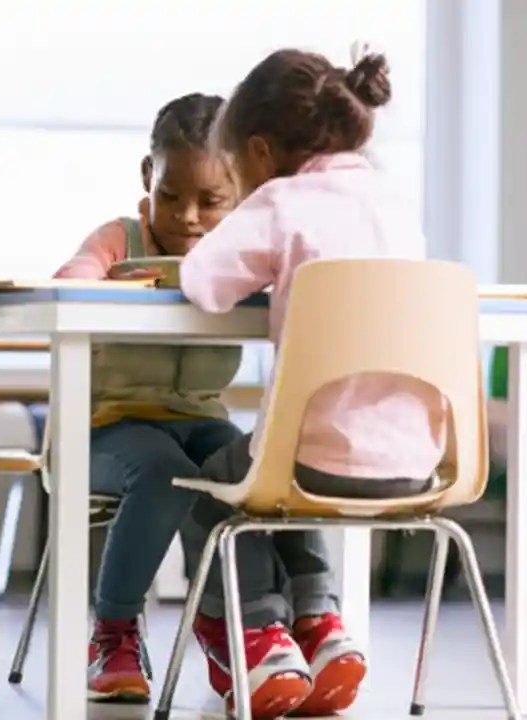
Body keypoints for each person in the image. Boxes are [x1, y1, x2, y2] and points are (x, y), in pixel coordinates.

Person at [178, 47, 447, 718]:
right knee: (280, 477)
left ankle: (256, 635)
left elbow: (202, 284)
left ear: (261, 153)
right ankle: (321, 628)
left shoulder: (281, 201)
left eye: (234, 172)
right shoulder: (395, 201)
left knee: (217, 484)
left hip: (310, 459)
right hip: (420, 466)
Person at [54, 92, 245, 703]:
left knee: (247, 463)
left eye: (211, 201)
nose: (189, 217)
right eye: (171, 196)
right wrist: (105, 284)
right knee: (166, 472)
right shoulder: (121, 237)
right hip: (107, 428)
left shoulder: (242, 256)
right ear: (147, 177)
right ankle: (112, 632)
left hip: (199, 421)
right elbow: (70, 279)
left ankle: (239, 627)